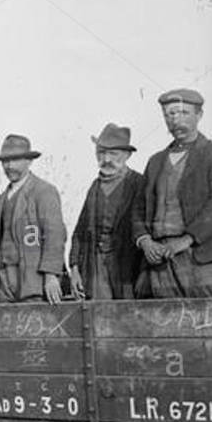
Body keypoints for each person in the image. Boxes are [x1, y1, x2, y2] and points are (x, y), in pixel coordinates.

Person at [133, 90, 212, 299]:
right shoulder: (155, 162)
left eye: (183, 113)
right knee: (163, 325)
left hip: (200, 261)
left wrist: (187, 239)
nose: (175, 120)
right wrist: (145, 241)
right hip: (159, 262)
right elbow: (138, 209)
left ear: (199, 115)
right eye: (169, 115)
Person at [0, 134, 67, 305]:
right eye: (5, 161)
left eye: (15, 160)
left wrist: (51, 275)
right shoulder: (2, 198)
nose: (9, 166)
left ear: (29, 161)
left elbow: (55, 235)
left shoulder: (44, 191)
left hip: (32, 277)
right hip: (3, 278)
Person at [66, 124, 144, 301]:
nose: (106, 159)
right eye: (101, 153)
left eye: (113, 154)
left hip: (127, 268)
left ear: (127, 155)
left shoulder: (138, 184)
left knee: (127, 319)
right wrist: (75, 267)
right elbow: (80, 231)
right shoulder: (95, 187)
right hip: (96, 268)